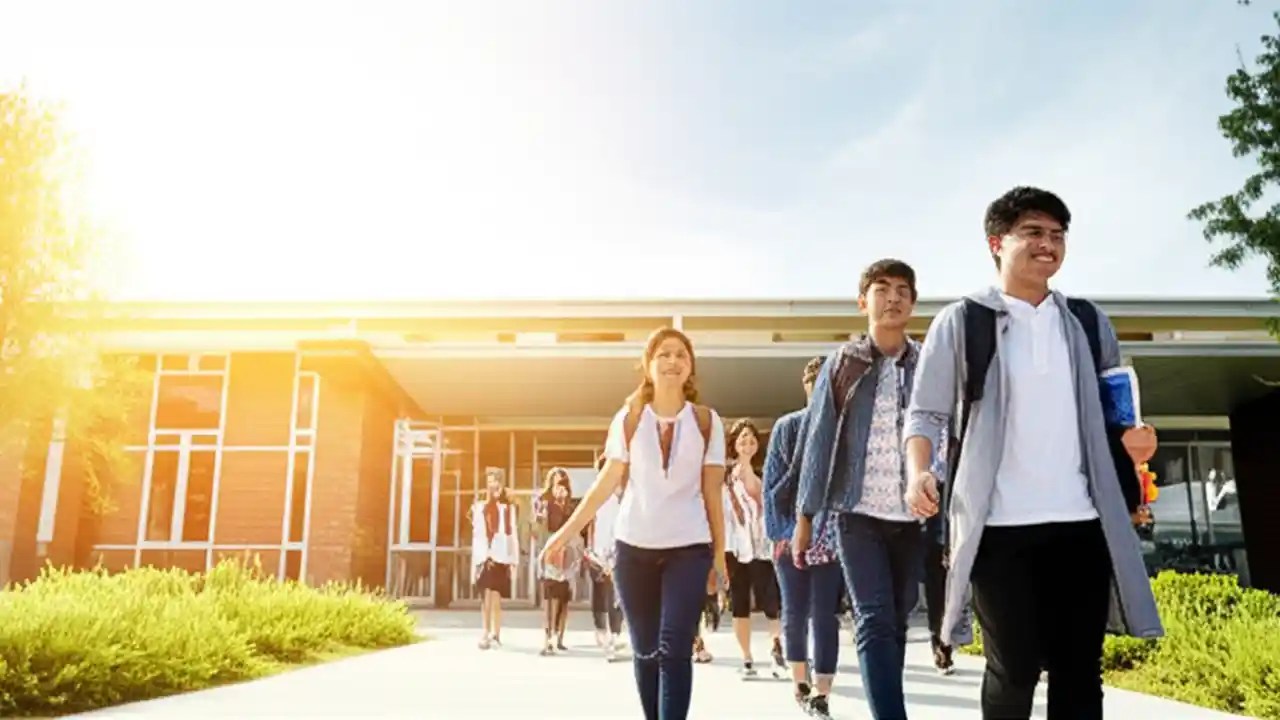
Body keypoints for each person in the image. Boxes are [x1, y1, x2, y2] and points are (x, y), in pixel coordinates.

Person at [903, 186, 1163, 720]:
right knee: (1013, 669)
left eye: (1057, 235)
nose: (1049, 244)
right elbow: (925, 413)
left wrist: (1137, 449)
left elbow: (1119, 416)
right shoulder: (963, 321)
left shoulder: (1088, 323)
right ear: (998, 243)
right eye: (1034, 233)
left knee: (1079, 672)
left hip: (1081, 524)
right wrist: (917, 472)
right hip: (999, 528)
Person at [540, 327, 728, 720]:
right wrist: (564, 533)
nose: (672, 361)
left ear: (690, 366)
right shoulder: (628, 419)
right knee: (645, 651)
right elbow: (605, 483)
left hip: (689, 548)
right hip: (634, 549)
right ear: (647, 364)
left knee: (675, 647)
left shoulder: (708, 422)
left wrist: (719, 559)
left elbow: (713, 496)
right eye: (663, 354)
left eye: (680, 354)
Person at [793, 259, 925, 720]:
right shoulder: (844, 363)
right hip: (857, 512)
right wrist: (806, 515)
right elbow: (819, 439)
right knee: (872, 619)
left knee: (899, 620)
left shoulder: (927, 362)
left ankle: (890, 706)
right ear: (863, 300)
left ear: (912, 301)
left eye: (903, 290)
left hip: (914, 515)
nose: (893, 298)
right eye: (882, 289)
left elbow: (948, 430)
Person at [764, 355, 843, 718]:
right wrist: (780, 531)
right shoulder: (787, 426)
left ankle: (822, 691)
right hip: (788, 533)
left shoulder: (845, 428)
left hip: (831, 535)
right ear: (806, 385)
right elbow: (771, 485)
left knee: (826, 614)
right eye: (815, 380)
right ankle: (799, 682)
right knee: (794, 611)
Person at [723, 418, 786, 680]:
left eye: (751, 439)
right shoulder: (727, 479)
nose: (747, 444)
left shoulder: (764, 475)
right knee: (740, 604)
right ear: (734, 444)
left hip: (762, 548)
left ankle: (776, 647)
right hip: (736, 549)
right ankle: (747, 657)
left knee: (771, 600)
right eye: (742, 439)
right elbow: (724, 515)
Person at [534, 467, 584, 656]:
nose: (560, 488)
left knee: (564, 598)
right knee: (549, 596)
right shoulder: (544, 503)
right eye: (556, 483)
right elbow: (542, 526)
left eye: (563, 484)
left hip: (567, 554)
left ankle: (560, 637)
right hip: (550, 553)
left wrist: (564, 505)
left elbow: (575, 527)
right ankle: (547, 638)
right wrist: (552, 506)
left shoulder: (570, 506)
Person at [469, 467, 517, 650]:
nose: (493, 485)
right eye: (490, 482)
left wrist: (513, 561)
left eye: (496, 481)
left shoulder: (507, 508)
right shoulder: (479, 507)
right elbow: (477, 534)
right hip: (485, 556)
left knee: (496, 596)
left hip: (501, 556)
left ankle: (496, 634)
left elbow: (512, 534)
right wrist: (476, 561)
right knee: (485, 597)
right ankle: (485, 633)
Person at [586, 454, 626, 662]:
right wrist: (594, 552)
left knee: (615, 596)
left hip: (617, 553)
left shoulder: (622, 495)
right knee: (600, 595)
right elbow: (595, 527)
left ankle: (614, 636)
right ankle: (603, 632)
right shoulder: (599, 497)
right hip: (598, 553)